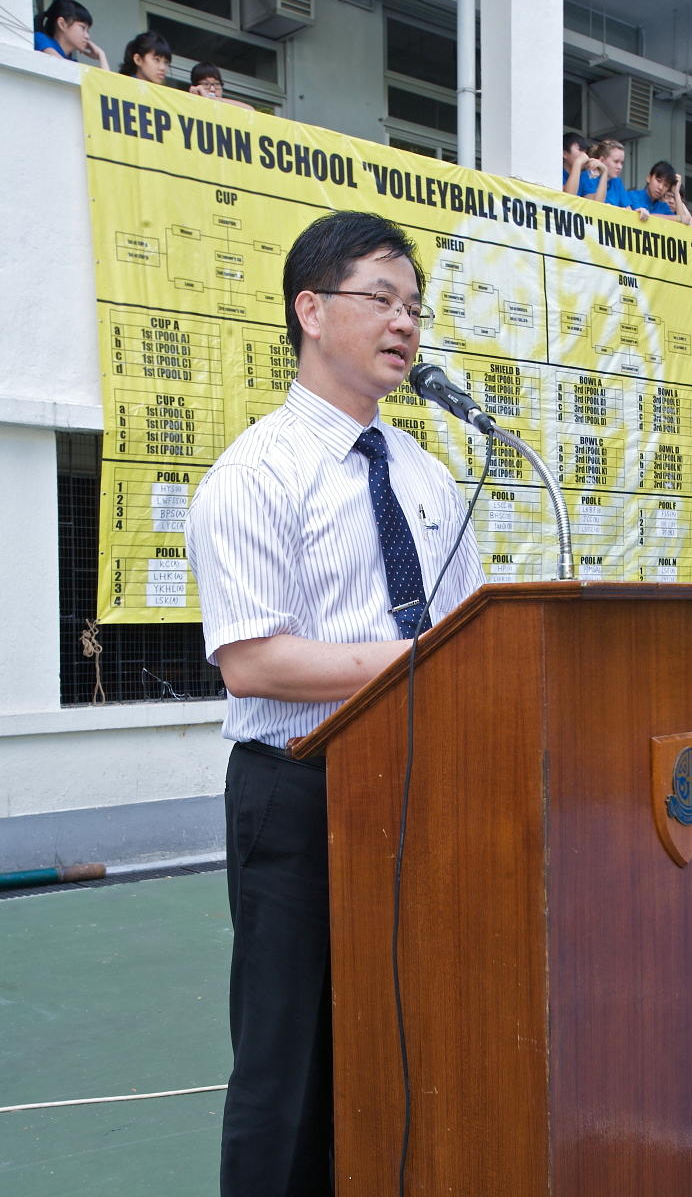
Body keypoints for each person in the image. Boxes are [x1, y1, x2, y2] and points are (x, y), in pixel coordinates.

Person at [184, 210, 485, 1197]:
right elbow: (254, 662)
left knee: (407, 1030)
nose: (404, 324)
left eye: (414, 307)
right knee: (289, 1058)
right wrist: (417, 662)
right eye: (381, 299)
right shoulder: (256, 473)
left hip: (423, 785)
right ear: (309, 310)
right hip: (299, 791)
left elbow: (473, 629)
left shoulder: (428, 474)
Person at [33, 0, 109, 69]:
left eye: (87, 31)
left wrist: (101, 55)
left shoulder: (72, 62)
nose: (87, 36)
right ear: (62, 24)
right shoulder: (40, 39)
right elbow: (63, 68)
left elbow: (105, 80)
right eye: (83, 28)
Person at [189, 62, 254, 111]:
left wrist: (210, 98)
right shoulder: (188, 107)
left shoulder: (226, 108)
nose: (212, 89)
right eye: (206, 84)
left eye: (217, 84)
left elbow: (250, 110)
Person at [587, 138, 629, 206]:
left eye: (622, 163)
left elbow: (627, 209)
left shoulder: (617, 181)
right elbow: (596, 206)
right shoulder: (588, 177)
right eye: (616, 161)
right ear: (602, 160)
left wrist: (638, 210)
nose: (620, 167)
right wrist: (604, 172)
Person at [562, 132, 598, 198]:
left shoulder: (584, 174)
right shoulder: (558, 173)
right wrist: (578, 163)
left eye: (584, 151)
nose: (584, 155)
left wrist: (604, 172)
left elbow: (594, 201)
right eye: (580, 150)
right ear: (565, 154)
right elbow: (568, 197)